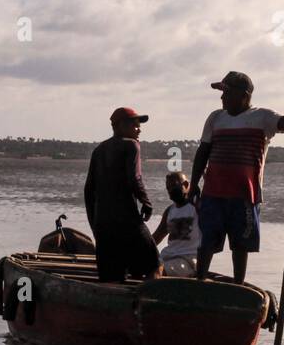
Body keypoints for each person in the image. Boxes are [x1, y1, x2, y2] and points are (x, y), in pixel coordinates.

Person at [189, 71, 284, 283]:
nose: (222, 98)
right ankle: (199, 281)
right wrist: (193, 184)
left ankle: (238, 285)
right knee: (207, 240)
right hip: (213, 193)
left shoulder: (262, 117)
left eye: (226, 93)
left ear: (244, 96)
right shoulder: (215, 118)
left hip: (245, 195)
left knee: (240, 245)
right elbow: (203, 152)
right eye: (221, 93)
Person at [83, 107, 162, 282]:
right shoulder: (131, 145)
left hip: (103, 227)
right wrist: (146, 202)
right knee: (155, 265)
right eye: (135, 125)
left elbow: (88, 191)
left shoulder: (99, 150)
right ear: (119, 126)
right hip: (128, 222)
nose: (139, 129)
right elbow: (135, 177)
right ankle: (147, 304)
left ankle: (115, 308)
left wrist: (94, 224)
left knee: (111, 278)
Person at [151, 171, 202, 276]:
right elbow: (156, 237)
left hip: (187, 260)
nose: (170, 190)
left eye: (174, 186)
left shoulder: (197, 206)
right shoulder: (170, 211)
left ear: (186, 185)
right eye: (168, 188)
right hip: (166, 257)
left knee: (157, 270)